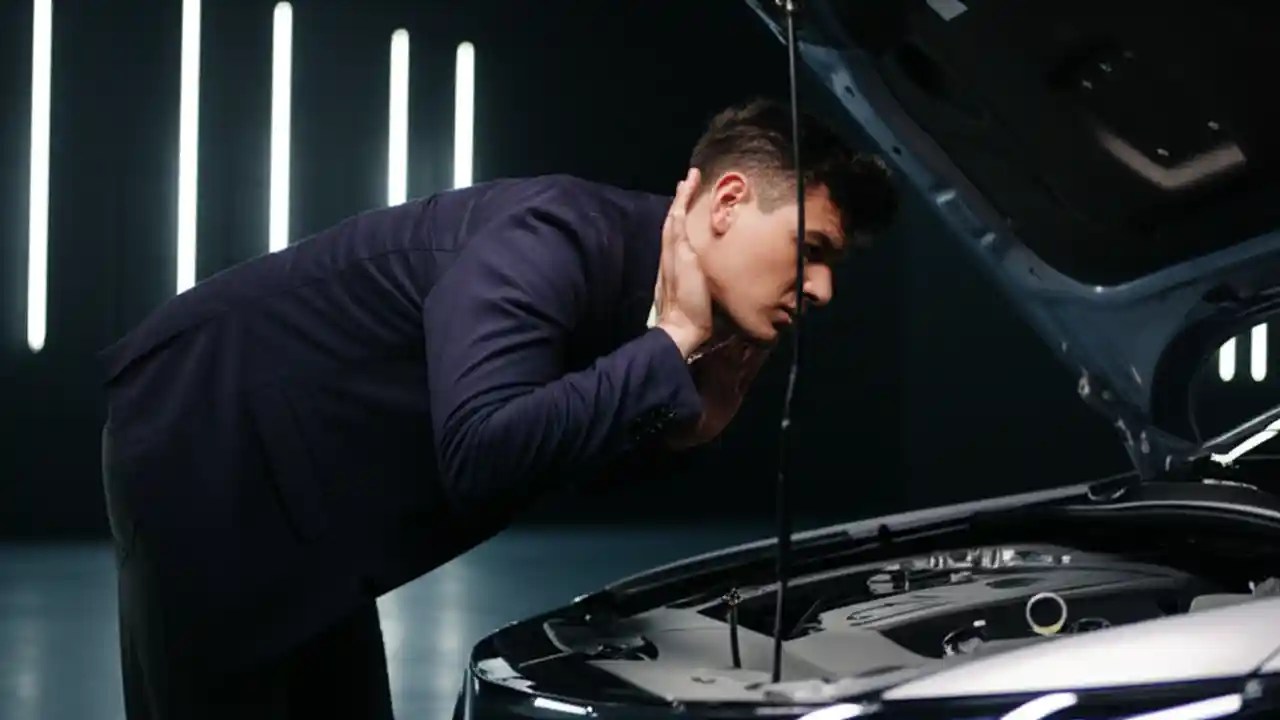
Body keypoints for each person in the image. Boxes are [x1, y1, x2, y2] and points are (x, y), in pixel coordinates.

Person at [98, 97, 897, 718]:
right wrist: (673, 342)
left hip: (323, 505)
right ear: (726, 202)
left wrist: (687, 430)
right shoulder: (553, 237)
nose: (822, 288)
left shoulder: (652, 292)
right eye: (811, 249)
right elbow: (483, 456)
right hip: (202, 427)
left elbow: (556, 456)